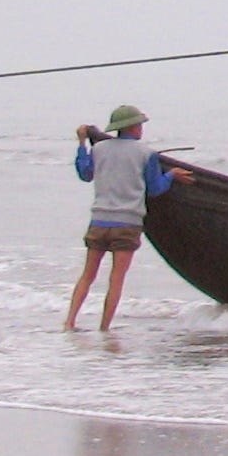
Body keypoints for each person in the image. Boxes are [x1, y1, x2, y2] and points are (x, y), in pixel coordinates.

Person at [64, 105, 181, 332]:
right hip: (128, 223)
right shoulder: (147, 154)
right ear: (133, 127)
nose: (141, 129)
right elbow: (155, 189)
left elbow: (85, 174)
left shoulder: (99, 149)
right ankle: (104, 328)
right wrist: (172, 175)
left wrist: (81, 144)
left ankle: (69, 322)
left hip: (99, 221)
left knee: (88, 275)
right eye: (139, 125)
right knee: (116, 279)